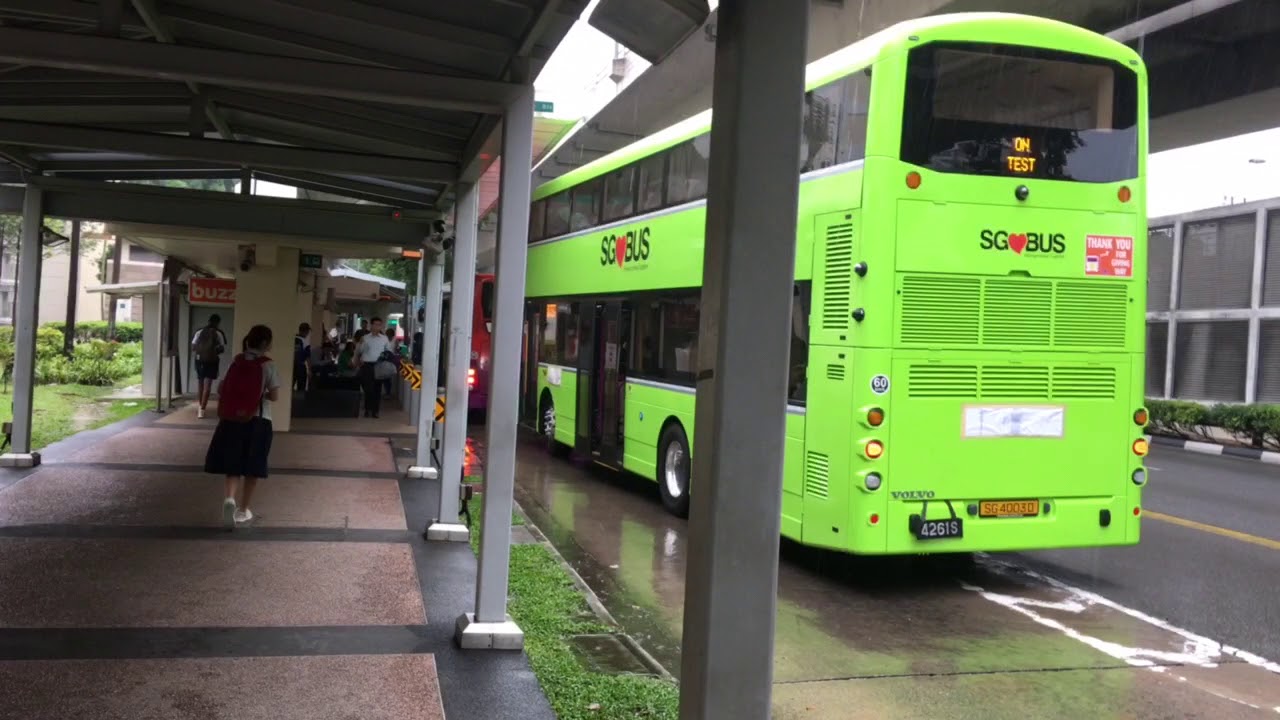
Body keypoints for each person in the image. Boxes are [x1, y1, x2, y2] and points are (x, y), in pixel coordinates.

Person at [205, 325, 281, 528]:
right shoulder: (268, 365)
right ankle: (242, 510)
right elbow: (274, 396)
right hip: (258, 420)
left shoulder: (236, 361)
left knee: (233, 464)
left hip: (231, 421)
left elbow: (221, 388)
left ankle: (230, 498)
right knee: (252, 467)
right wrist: (256, 396)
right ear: (266, 343)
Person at [190, 314, 228, 419]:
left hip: (199, 360)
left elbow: (193, 347)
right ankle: (202, 410)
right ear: (218, 322)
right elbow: (222, 349)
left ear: (208, 321)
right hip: (212, 361)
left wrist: (202, 351)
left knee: (200, 383)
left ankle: (199, 406)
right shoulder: (219, 333)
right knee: (208, 385)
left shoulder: (199, 332)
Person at [354, 316, 391, 418]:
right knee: (368, 389)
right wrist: (360, 344)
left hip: (379, 366)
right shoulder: (365, 338)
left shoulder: (384, 339)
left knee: (377, 389)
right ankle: (367, 409)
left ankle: (375, 411)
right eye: (375, 324)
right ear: (371, 325)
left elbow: (388, 351)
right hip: (367, 366)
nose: (377, 327)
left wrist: (385, 358)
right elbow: (360, 351)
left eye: (379, 325)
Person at [294, 322, 312, 392]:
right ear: (306, 331)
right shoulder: (305, 342)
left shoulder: (292, 339)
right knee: (301, 387)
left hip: (291, 365)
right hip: (300, 366)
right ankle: (299, 401)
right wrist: (310, 370)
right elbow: (308, 357)